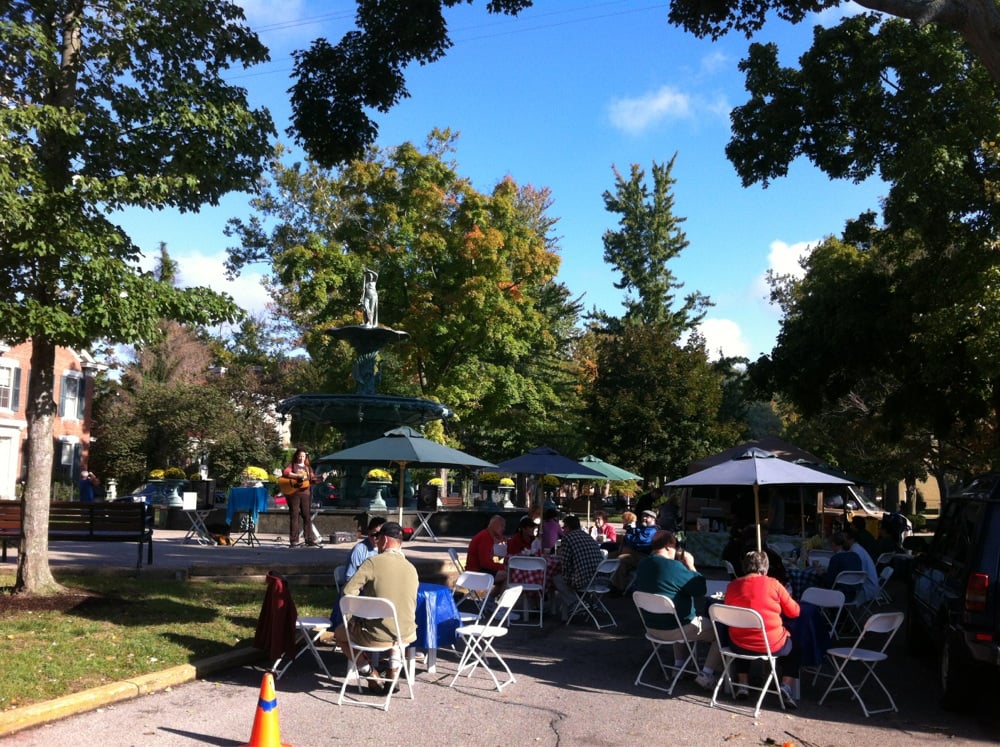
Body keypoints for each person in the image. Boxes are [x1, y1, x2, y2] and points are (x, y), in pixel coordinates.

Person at [333, 521, 418, 694]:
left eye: (378, 540)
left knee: (341, 634)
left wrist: (353, 619)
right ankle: (394, 668)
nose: (376, 544)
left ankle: (370, 674)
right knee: (396, 626)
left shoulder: (372, 563)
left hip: (376, 635)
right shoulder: (412, 568)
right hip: (406, 634)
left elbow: (348, 592)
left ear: (384, 541)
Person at [633, 530, 723, 690]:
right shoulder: (673, 566)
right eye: (676, 545)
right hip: (677, 628)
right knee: (721, 631)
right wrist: (691, 565)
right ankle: (707, 673)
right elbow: (700, 589)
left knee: (675, 614)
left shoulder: (642, 564)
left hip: (652, 628)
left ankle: (678, 666)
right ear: (669, 545)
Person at [724, 550, 802, 708]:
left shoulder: (733, 586)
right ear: (765, 569)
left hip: (739, 644)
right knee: (796, 647)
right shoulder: (773, 584)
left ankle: (743, 684)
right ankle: (786, 685)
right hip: (771, 645)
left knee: (742, 633)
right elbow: (795, 612)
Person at [551, 514, 605, 621]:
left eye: (564, 527)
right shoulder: (587, 536)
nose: (563, 530)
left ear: (568, 527)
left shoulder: (568, 538)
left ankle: (575, 603)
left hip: (584, 580)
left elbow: (565, 563)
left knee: (556, 579)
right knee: (567, 577)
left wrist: (567, 579)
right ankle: (587, 603)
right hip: (599, 579)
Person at [611, 508, 659, 592]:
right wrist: (629, 530)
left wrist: (630, 533)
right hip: (634, 553)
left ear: (653, 519)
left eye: (647, 517)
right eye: (643, 516)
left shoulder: (653, 530)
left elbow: (640, 542)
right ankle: (605, 580)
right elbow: (630, 539)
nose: (644, 518)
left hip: (644, 556)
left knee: (622, 559)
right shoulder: (641, 528)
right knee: (610, 555)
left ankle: (618, 588)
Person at [282, 448, 321, 548]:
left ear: (305, 457)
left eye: (303, 456)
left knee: (306, 516)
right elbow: (286, 472)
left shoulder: (308, 468)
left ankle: (309, 539)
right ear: (296, 456)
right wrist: (297, 476)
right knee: (294, 515)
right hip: (293, 493)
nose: (301, 458)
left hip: (305, 494)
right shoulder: (292, 465)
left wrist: (321, 478)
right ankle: (294, 540)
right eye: (300, 456)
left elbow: (312, 480)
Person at [465, 514, 508, 587]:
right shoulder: (485, 537)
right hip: (475, 573)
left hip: (478, 570)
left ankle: (491, 598)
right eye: (502, 526)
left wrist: (503, 561)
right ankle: (493, 598)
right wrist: (503, 567)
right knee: (507, 575)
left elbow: (490, 558)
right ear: (495, 525)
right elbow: (485, 563)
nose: (503, 529)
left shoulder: (487, 535)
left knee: (506, 574)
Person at [844, 527, 879, 604]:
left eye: (844, 538)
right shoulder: (857, 549)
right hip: (869, 585)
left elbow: (857, 576)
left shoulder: (856, 552)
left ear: (851, 539)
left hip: (866, 588)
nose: (843, 541)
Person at [822, 532, 863, 598]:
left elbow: (829, 582)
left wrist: (821, 573)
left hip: (837, 594)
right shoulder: (856, 556)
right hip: (853, 594)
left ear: (833, 544)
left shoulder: (836, 558)